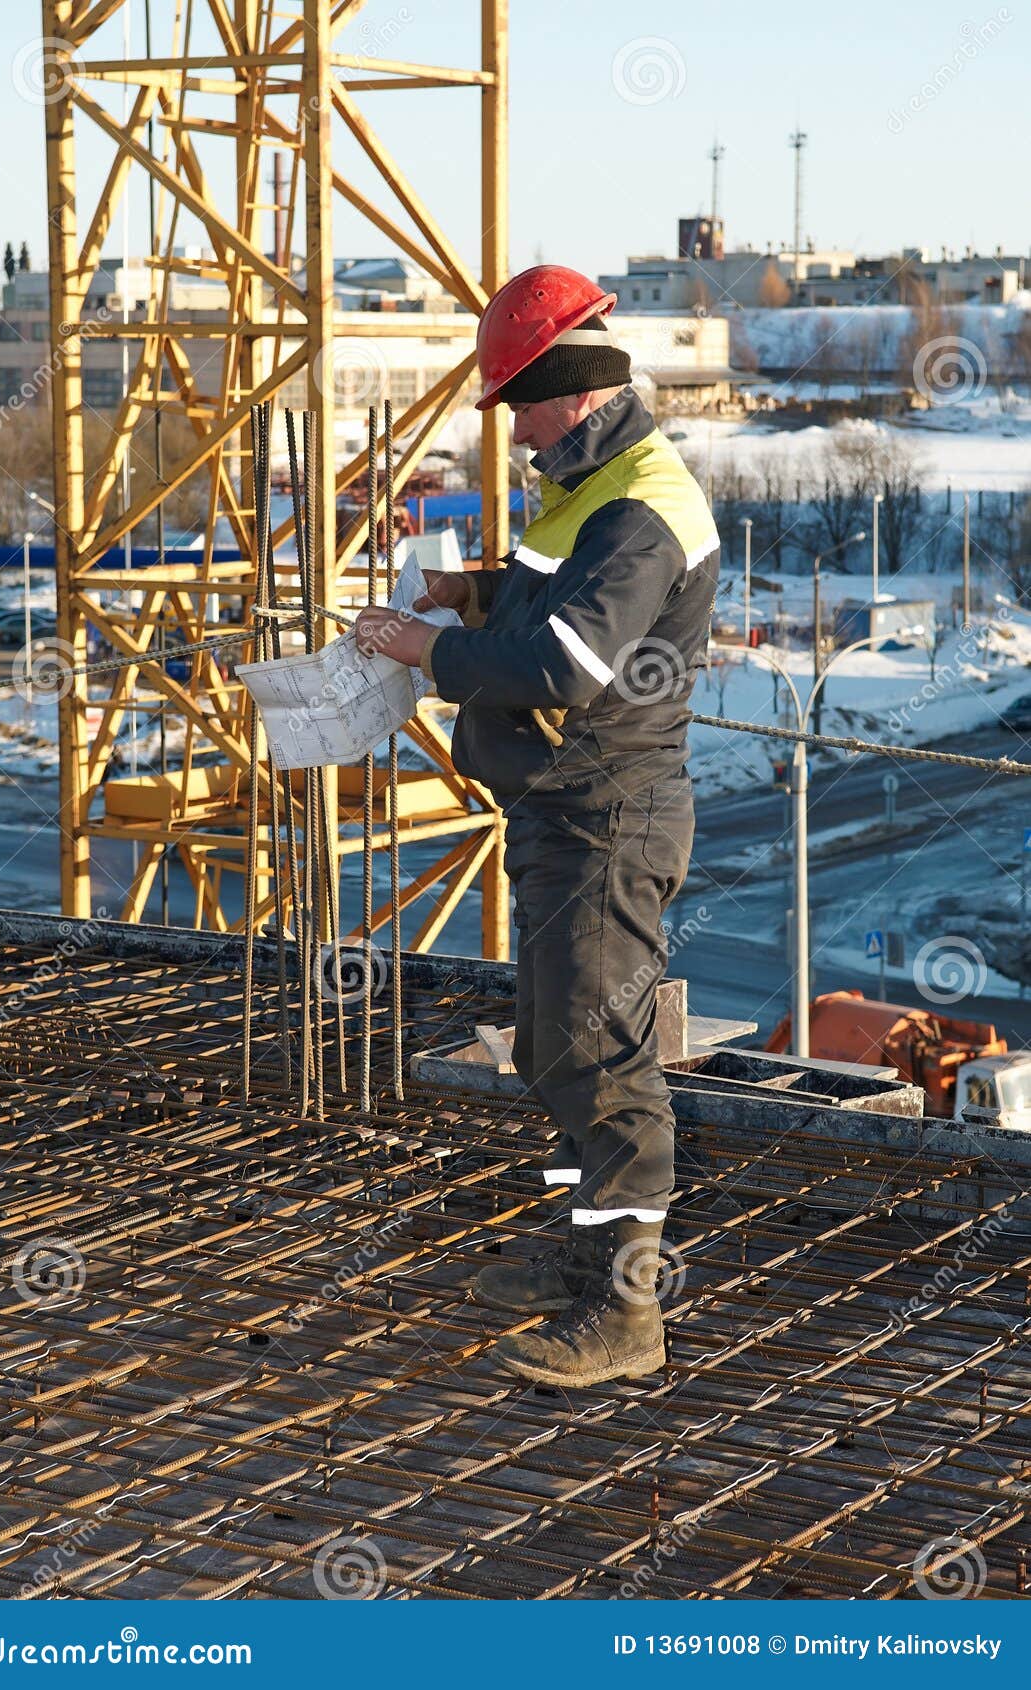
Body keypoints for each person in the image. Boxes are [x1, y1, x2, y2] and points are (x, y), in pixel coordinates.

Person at [354, 265, 719, 1387]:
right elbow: (545, 595)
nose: (512, 430)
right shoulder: (593, 486)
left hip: (609, 812)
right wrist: (467, 595)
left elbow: (568, 661)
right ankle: (578, 1254)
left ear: (567, 389)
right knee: (557, 1043)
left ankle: (625, 1310)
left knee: (600, 1056)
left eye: (518, 403)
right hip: (565, 807)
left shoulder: (640, 509)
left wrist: (433, 654)